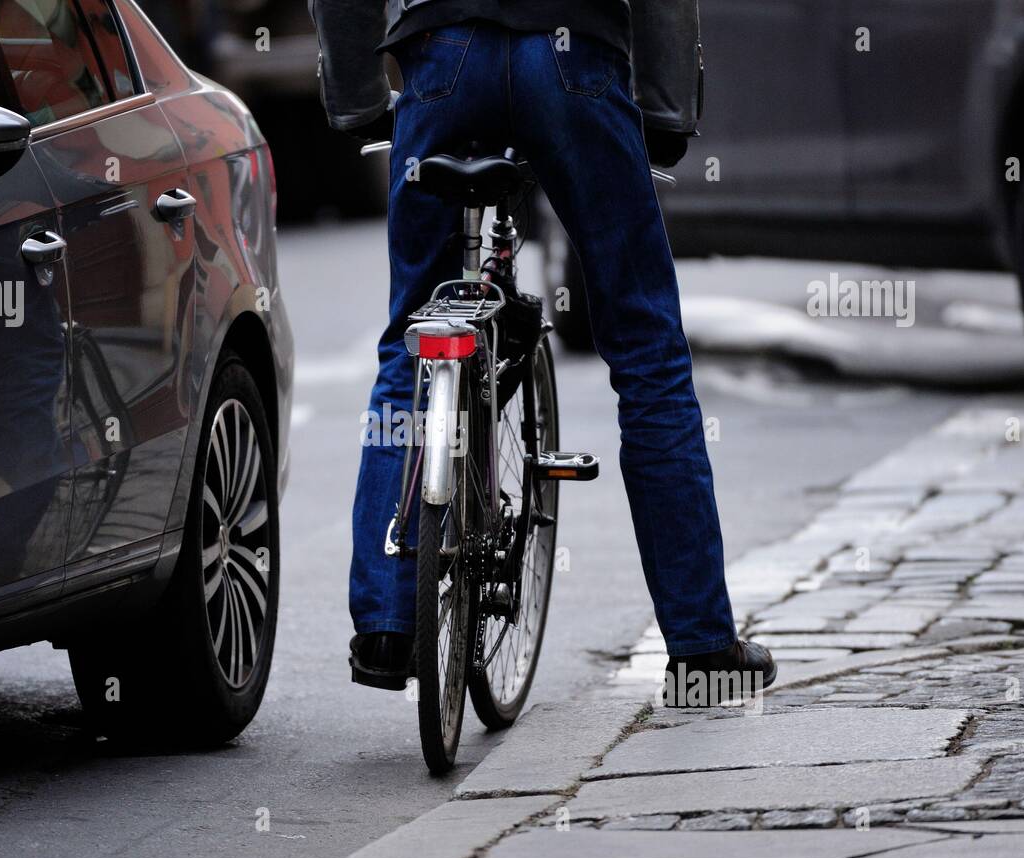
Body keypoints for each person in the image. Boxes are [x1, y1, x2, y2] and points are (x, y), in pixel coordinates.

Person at [310, 0, 776, 705]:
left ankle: (385, 622)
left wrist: (358, 100)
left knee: (411, 335)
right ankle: (702, 644)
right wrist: (668, 110)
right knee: (646, 345)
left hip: (442, 58)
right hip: (571, 60)